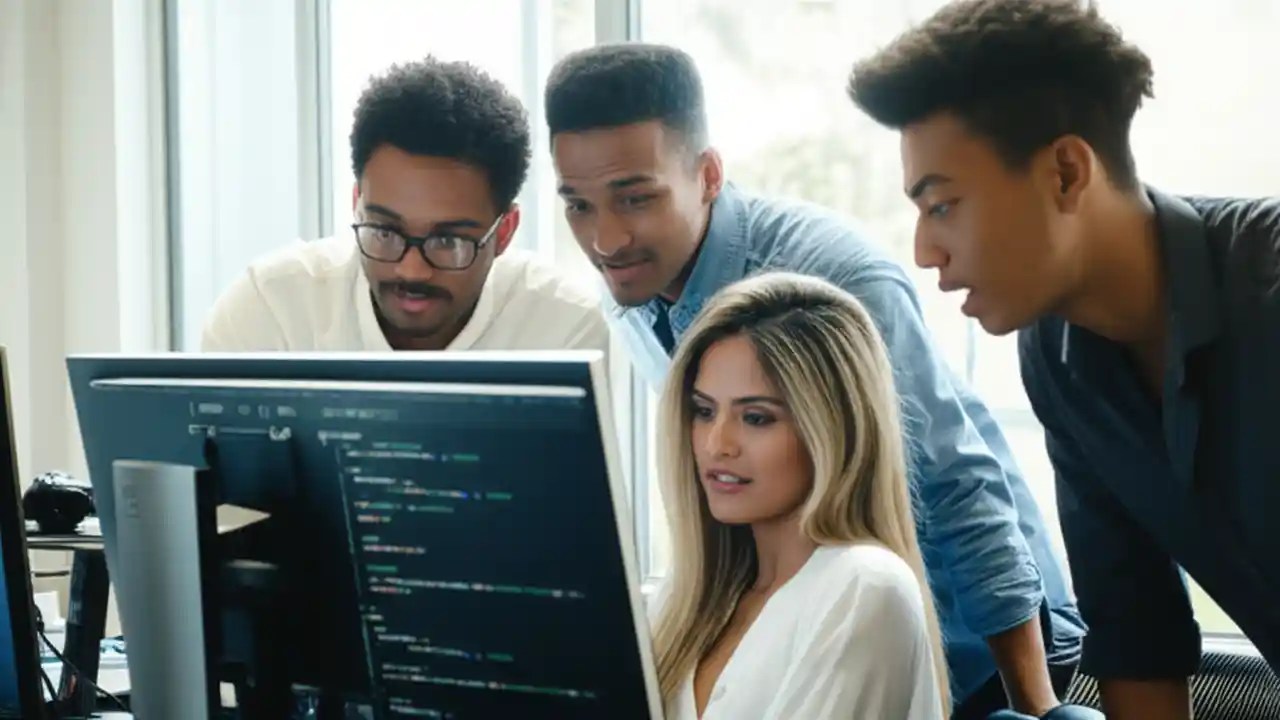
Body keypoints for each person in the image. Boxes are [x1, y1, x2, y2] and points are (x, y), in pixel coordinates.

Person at [546, 43, 1083, 718]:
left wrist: (1035, 708)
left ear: (708, 174)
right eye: (578, 207)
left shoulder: (833, 283)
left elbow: (956, 487)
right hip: (798, 626)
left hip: (968, 640)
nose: (606, 240)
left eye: (634, 198)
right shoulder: (631, 289)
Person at [847, 0, 1280, 718]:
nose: (925, 251)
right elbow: (1137, 641)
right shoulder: (1057, 357)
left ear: (1066, 173)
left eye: (943, 205)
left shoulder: (1267, 296)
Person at [650, 271, 947, 719]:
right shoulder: (683, 599)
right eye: (704, 411)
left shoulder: (865, 587)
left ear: (832, 429)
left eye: (756, 418)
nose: (717, 444)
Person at [201, 57, 607, 355]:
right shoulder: (272, 308)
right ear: (357, 204)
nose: (411, 270)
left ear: (503, 232)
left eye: (448, 241)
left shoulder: (562, 331)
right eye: (385, 233)